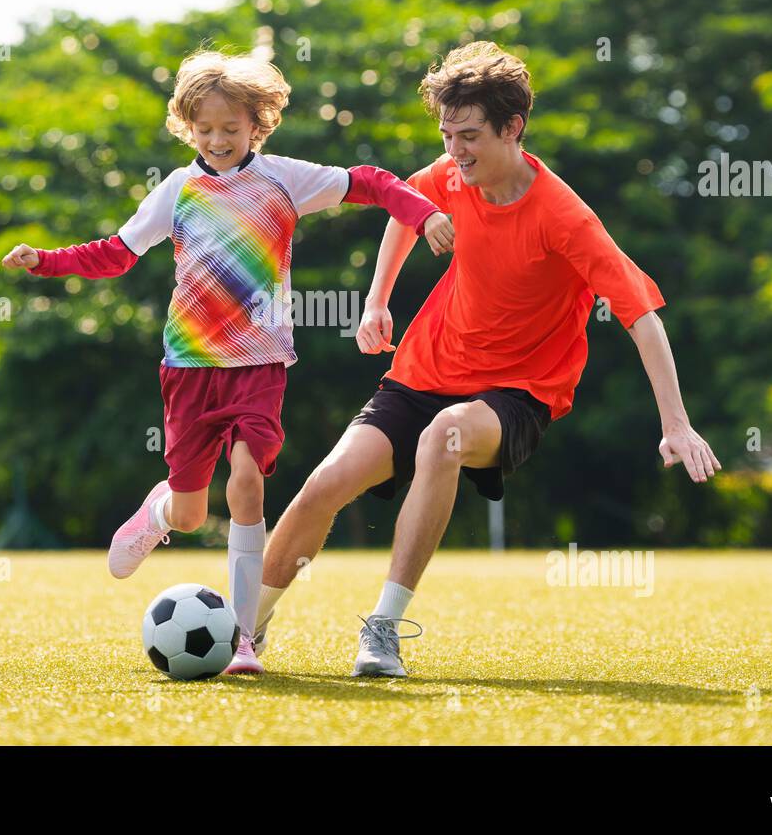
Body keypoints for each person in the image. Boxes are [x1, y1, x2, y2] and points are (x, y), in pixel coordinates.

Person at [252, 41, 722, 677]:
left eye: (469, 135)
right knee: (323, 486)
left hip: (518, 392)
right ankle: (246, 632)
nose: (455, 151)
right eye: (447, 134)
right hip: (423, 372)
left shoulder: (565, 217)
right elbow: (402, 206)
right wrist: (376, 301)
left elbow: (641, 315)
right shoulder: (449, 177)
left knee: (444, 438)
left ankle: (384, 630)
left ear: (513, 128)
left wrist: (675, 423)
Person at [1, 49, 453, 675]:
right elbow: (117, 253)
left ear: (257, 126)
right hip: (188, 372)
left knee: (246, 484)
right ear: (188, 127)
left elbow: (372, 182)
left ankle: (244, 640)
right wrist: (45, 260)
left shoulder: (283, 179)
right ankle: (158, 512)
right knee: (192, 513)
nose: (218, 140)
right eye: (205, 129)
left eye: (231, 129)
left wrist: (424, 212)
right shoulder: (177, 190)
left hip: (259, 369)